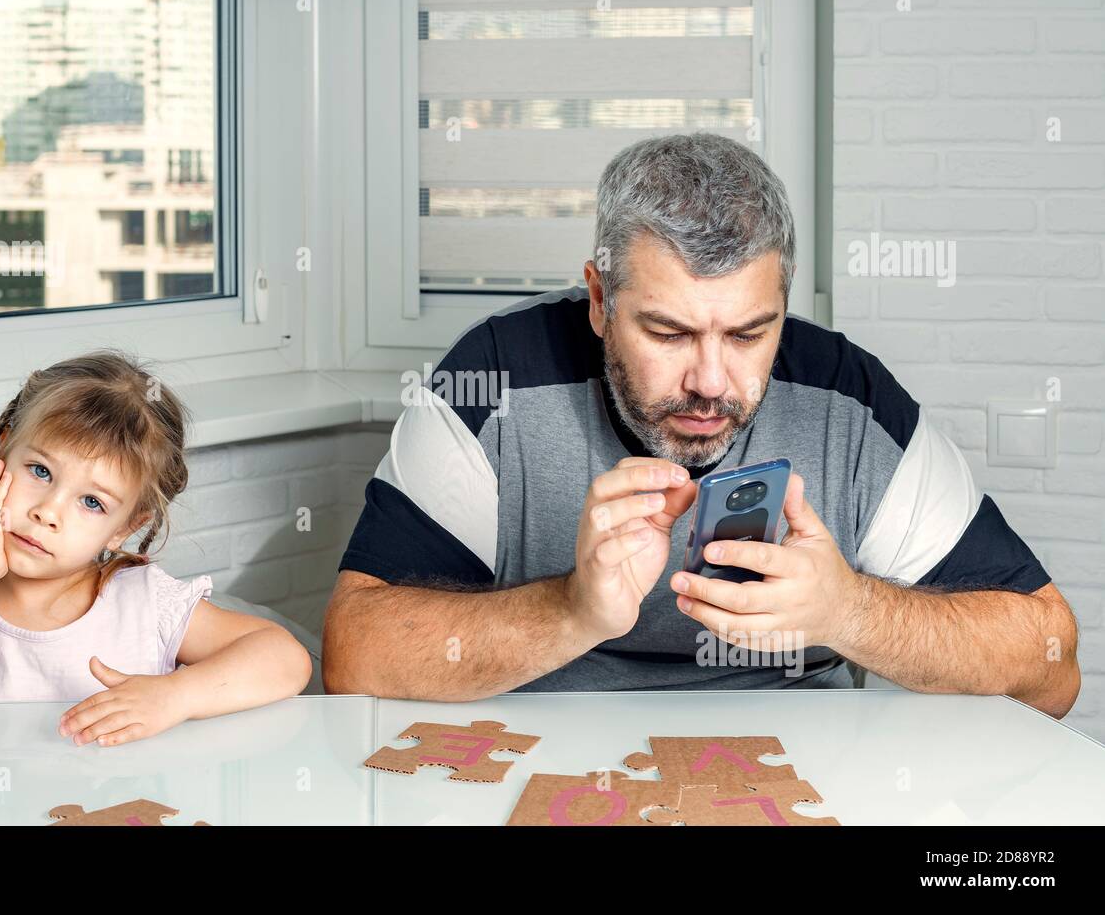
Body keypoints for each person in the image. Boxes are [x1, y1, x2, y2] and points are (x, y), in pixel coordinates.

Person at [323, 132, 1079, 718]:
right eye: (668, 333)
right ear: (597, 297)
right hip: (545, 768)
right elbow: (355, 655)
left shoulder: (849, 397)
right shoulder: (492, 381)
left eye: (750, 335)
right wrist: (570, 612)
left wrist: (850, 610)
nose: (711, 383)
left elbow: (1050, 667)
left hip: (798, 776)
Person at [0, 350, 311, 744]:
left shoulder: (145, 605)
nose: (48, 512)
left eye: (91, 502)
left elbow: (286, 658)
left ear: (124, 528)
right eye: (40, 472)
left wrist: (177, 696)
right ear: (2, 455)